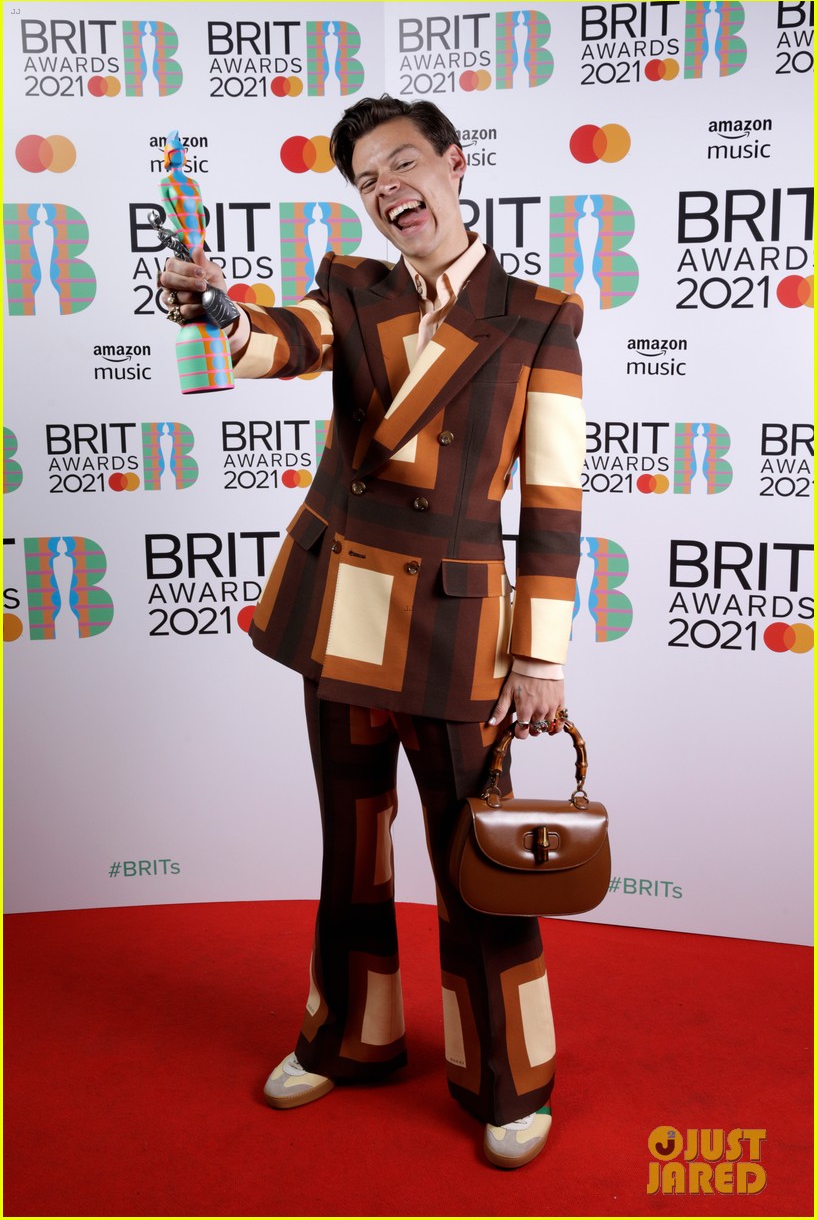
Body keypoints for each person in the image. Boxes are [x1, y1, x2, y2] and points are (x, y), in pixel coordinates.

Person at [159, 95, 585, 1170]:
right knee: (351, 844)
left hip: (457, 632)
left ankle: (508, 1080)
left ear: (452, 164)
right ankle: (348, 1036)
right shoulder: (351, 290)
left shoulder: (537, 314)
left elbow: (553, 502)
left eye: (404, 163)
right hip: (341, 611)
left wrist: (539, 655)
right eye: (366, 179)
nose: (389, 188)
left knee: (476, 860)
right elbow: (277, 341)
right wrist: (218, 312)